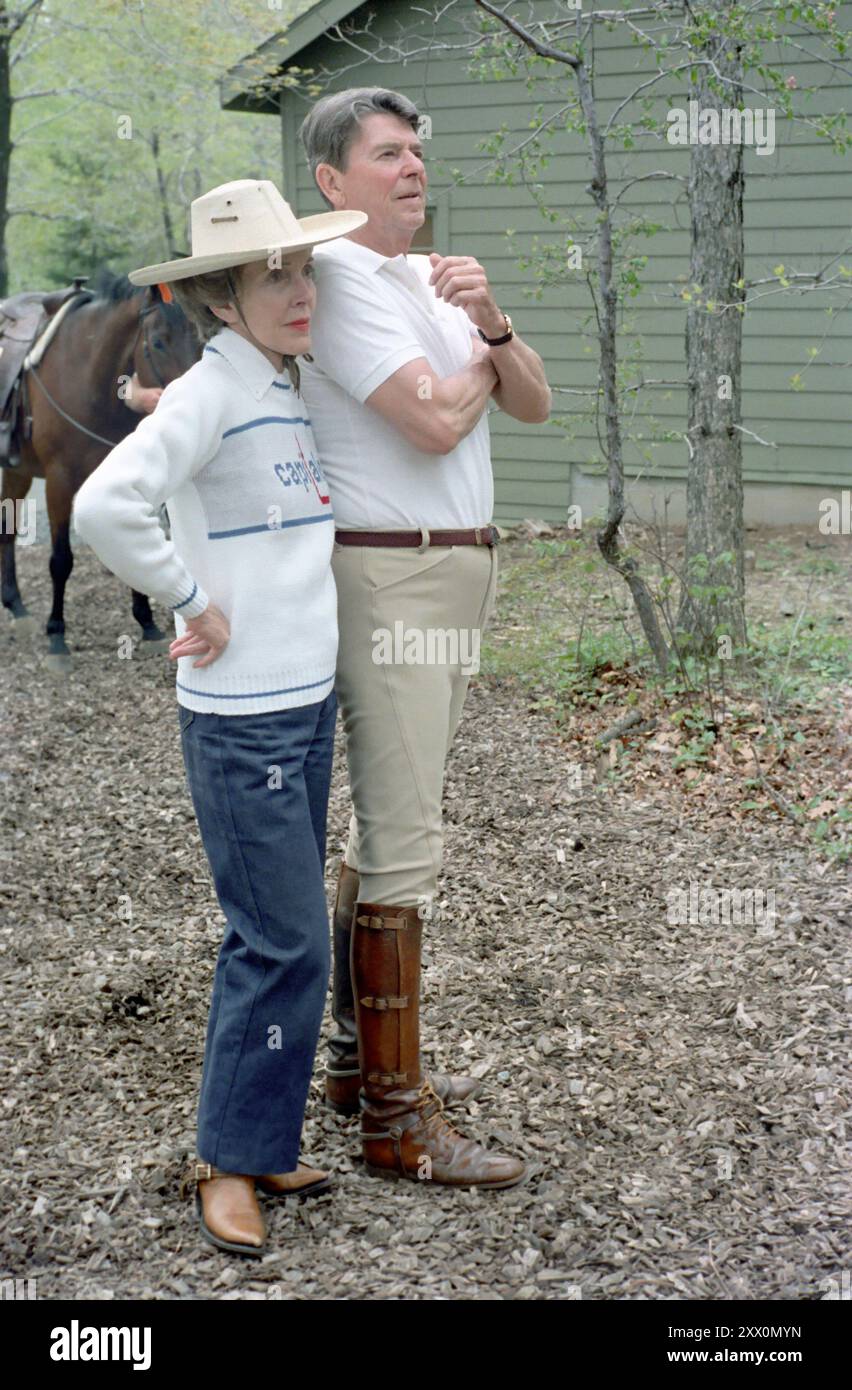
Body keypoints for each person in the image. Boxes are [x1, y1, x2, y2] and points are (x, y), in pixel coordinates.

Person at [73, 179, 368, 1256]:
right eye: (270, 275)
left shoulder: (281, 385)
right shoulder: (210, 391)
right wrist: (192, 599)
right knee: (278, 939)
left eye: (303, 269)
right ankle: (224, 1158)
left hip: (301, 704)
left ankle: (266, 1135)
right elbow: (109, 503)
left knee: (293, 945)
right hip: (242, 720)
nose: (298, 289)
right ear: (223, 300)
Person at [297, 89, 552, 1188]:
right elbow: (434, 419)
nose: (412, 168)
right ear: (331, 181)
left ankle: (357, 1064)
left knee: (396, 816)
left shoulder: (435, 279)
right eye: (386, 154)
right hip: (390, 570)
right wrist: (482, 367)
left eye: (417, 151)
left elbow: (531, 401)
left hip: (457, 564)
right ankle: (395, 1124)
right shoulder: (340, 280)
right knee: (408, 839)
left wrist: (490, 325)